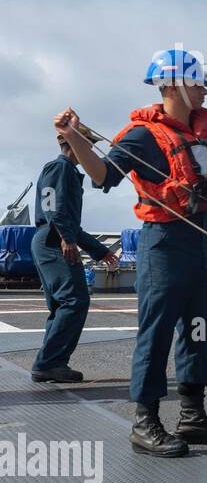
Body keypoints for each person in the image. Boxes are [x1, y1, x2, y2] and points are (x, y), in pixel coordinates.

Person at [55, 48, 207, 457]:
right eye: (198, 83)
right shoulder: (142, 135)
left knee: (197, 330)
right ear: (174, 84)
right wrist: (74, 136)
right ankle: (146, 422)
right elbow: (104, 175)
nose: (204, 90)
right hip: (164, 245)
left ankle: (193, 416)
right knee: (157, 332)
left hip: (201, 245)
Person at [30, 126, 119, 383]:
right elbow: (52, 206)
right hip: (52, 239)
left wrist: (100, 251)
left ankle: (50, 362)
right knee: (74, 301)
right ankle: (49, 363)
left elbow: (71, 223)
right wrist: (66, 239)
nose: (88, 151)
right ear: (73, 144)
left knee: (62, 304)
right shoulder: (58, 168)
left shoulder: (68, 172)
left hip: (54, 237)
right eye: (87, 145)